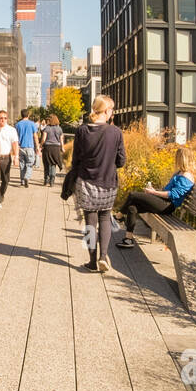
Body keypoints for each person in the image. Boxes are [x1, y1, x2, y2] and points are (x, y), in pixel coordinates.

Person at [70, 95, 126, 273]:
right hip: (108, 182)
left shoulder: (82, 131)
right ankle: (103, 256)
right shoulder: (115, 132)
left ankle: (92, 261)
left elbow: (75, 160)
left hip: (86, 182)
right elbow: (121, 161)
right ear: (107, 111)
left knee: (89, 222)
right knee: (105, 219)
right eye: (112, 110)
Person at [118, 147, 196, 249]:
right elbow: (167, 190)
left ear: (183, 159)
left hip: (167, 206)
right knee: (132, 207)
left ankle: (118, 216)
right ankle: (128, 240)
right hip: (163, 202)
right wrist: (154, 191)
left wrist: (153, 192)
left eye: (177, 157)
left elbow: (173, 195)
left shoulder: (187, 176)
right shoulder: (180, 173)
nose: (175, 159)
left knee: (133, 195)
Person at [0, 111, 18, 208]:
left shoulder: (11, 130)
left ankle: (1, 195)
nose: (3, 120)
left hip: (6, 158)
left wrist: (16, 156)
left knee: (6, 180)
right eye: (1, 118)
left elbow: (15, 144)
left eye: (5, 118)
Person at [14, 108, 40, 187]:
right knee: (29, 164)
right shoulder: (32, 124)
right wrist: (37, 147)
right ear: (28, 115)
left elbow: (15, 137)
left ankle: (22, 181)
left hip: (20, 147)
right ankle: (26, 177)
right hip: (29, 147)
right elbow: (35, 136)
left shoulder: (17, 125)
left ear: (21, 115)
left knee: (22, 165)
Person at [40, 113, 65, 186]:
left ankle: (46, 180)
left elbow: (43, 139)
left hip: (47, 148)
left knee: (46, 164)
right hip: (56, 148)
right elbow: (61, 140)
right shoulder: (59, 129)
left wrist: (41, 145)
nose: (47, 121)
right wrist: (62, 148)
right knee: (53, 164)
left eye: (48, 120)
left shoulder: (47, 128)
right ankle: (52, 181)